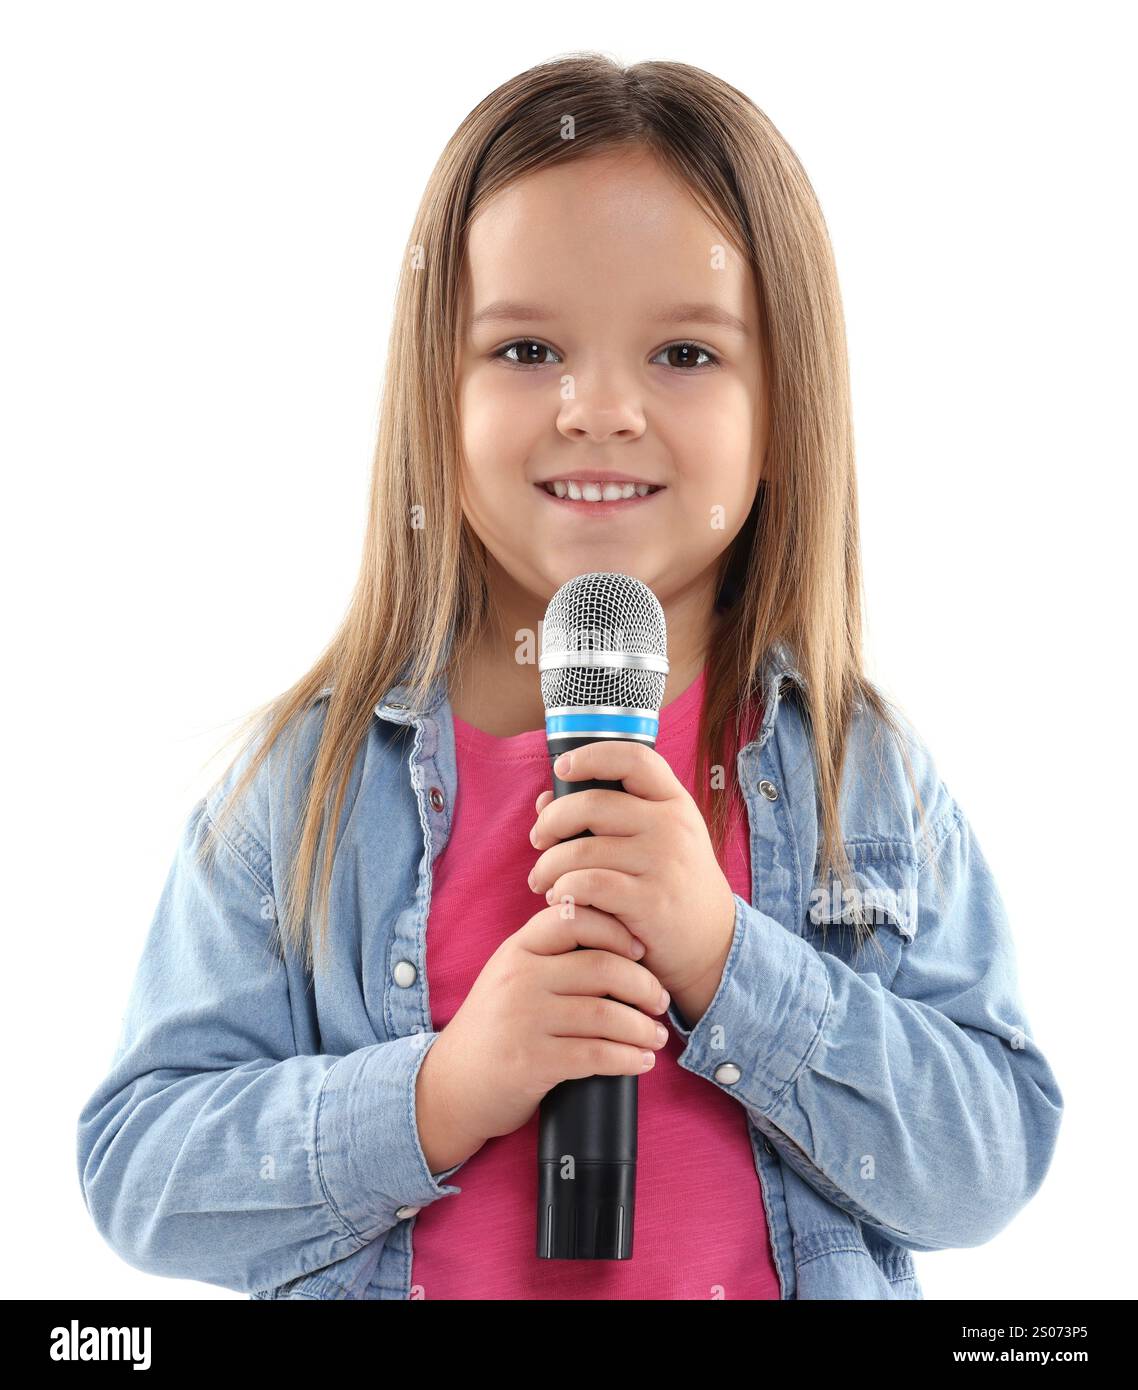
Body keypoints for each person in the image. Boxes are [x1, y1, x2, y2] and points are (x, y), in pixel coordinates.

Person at [76, 53, 1063, 1300]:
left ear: (785, 409)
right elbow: (140, 1172)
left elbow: (986, 1159)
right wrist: (440, 1091)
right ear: (438, 393)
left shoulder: (855, 776)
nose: (598, 408)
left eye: (686, 355)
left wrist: (724, 959)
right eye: (530, 346)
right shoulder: (308, 787)